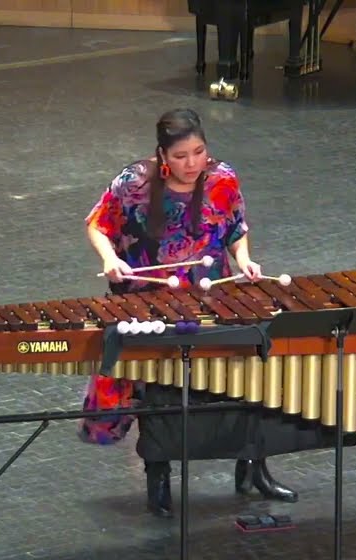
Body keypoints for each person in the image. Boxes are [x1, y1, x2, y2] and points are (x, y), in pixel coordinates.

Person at [79, 108, 301, 518]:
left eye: (199, 152)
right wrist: (111, 259)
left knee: (249, 372)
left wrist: (246, 261)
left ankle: (254, 467)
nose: (192, 163)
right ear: (163, 154)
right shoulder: (134, 184)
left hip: (210, 295)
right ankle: (158, 476)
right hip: (148, 297)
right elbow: (97, 224)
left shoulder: (222, 179)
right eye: (181, 156)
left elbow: (235, 228)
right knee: (159, 389)